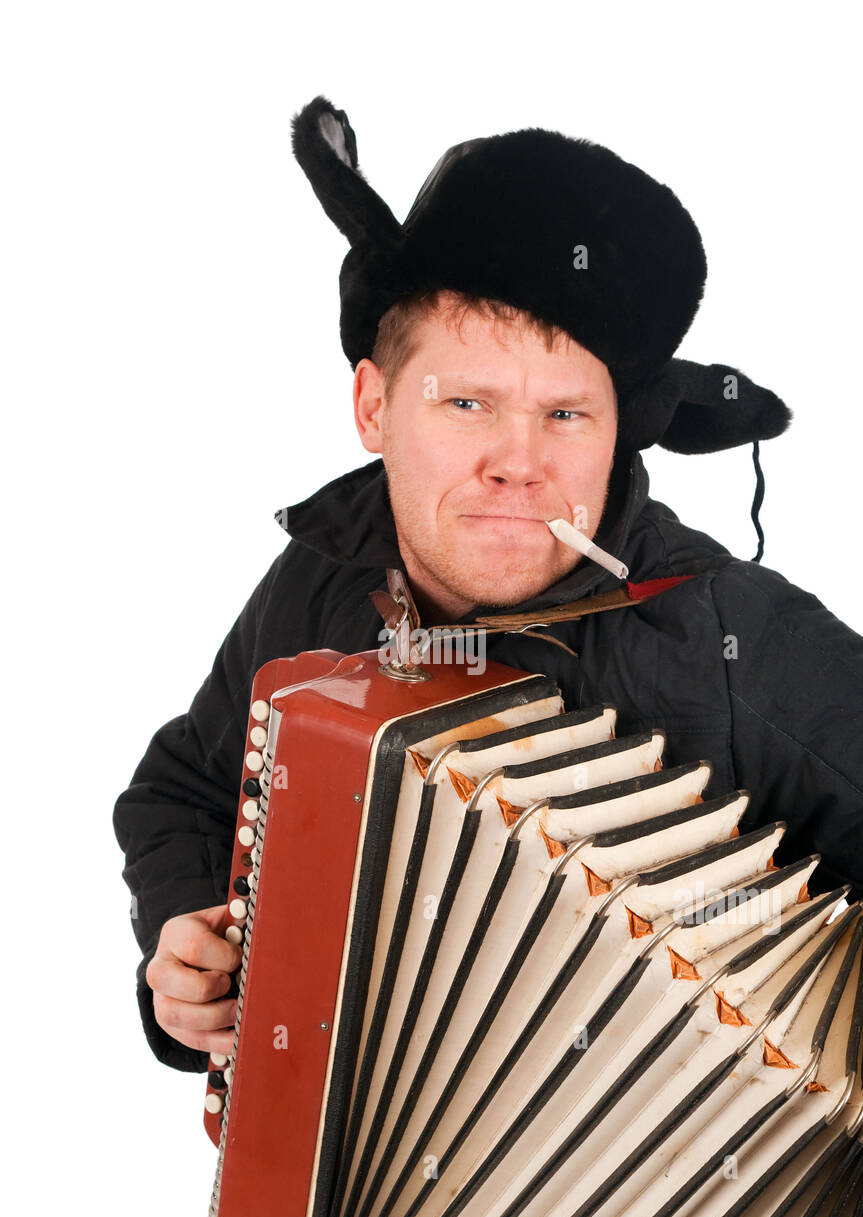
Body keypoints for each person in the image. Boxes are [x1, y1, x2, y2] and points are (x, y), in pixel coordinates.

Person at [114, 95, 863, 1074]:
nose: (520, 462)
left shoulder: (738, 637)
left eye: (564, 414)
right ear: (374, 407)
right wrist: (187, 944)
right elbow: (183, 790)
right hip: (371, 1211)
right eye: (467, 402)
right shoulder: (321, 571)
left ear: (616, 436)